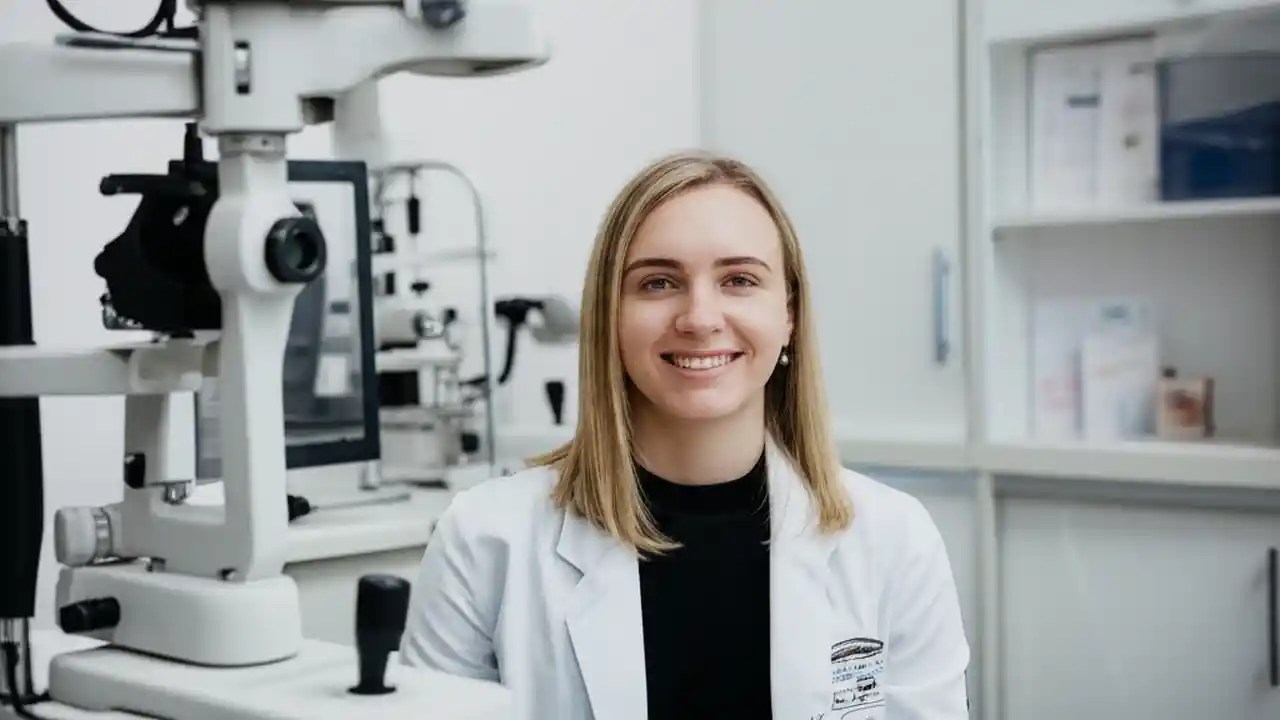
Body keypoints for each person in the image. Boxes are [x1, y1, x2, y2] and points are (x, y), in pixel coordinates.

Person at [399, 151, 971, 719]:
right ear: (610, 314)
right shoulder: (484, 542)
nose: (699, 318)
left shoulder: (894, 540)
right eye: (658, 282)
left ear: (789, 314)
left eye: (740, 280)